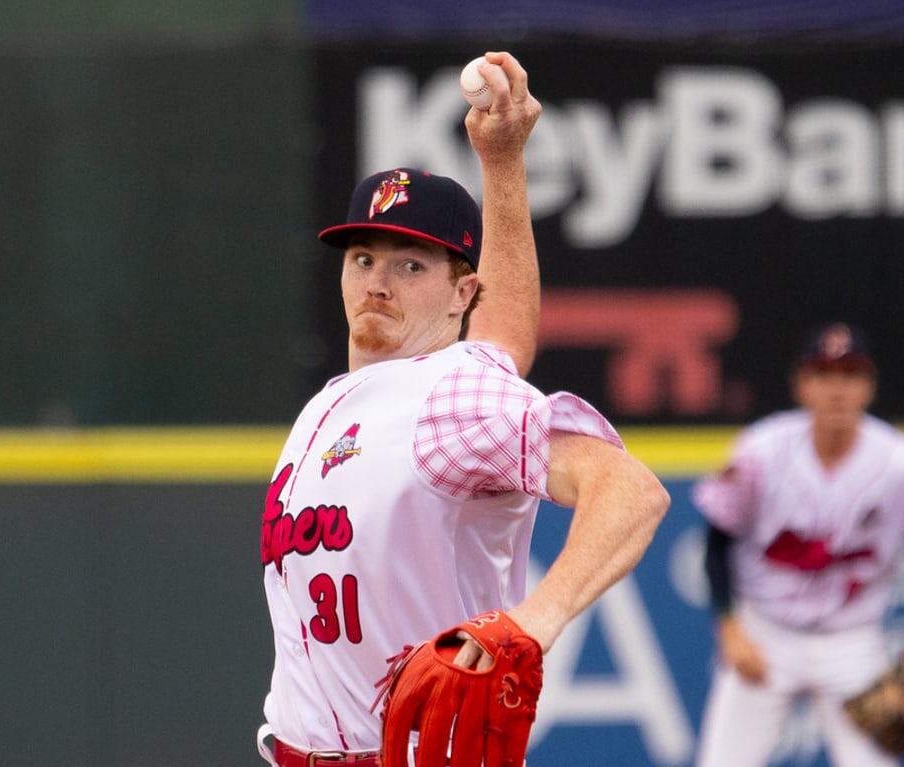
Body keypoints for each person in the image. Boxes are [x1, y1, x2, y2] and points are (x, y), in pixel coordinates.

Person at [255, 51, 670, 767]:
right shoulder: (330, 405)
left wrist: (529, 624)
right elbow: (503, 338)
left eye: (410, 264)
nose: (378, 282)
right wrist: (501, 160)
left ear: (460, 293)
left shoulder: (454, 395)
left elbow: (631, 490)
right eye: (363, 259)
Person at [691, 322, 904, 767]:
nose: (837, 389)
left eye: (850, 375)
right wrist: (728, 626)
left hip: (853, 643)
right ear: (801, 385)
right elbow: (716, 540)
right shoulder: (760, 451)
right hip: (766, 633)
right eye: (823, 375)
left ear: (870, 386)